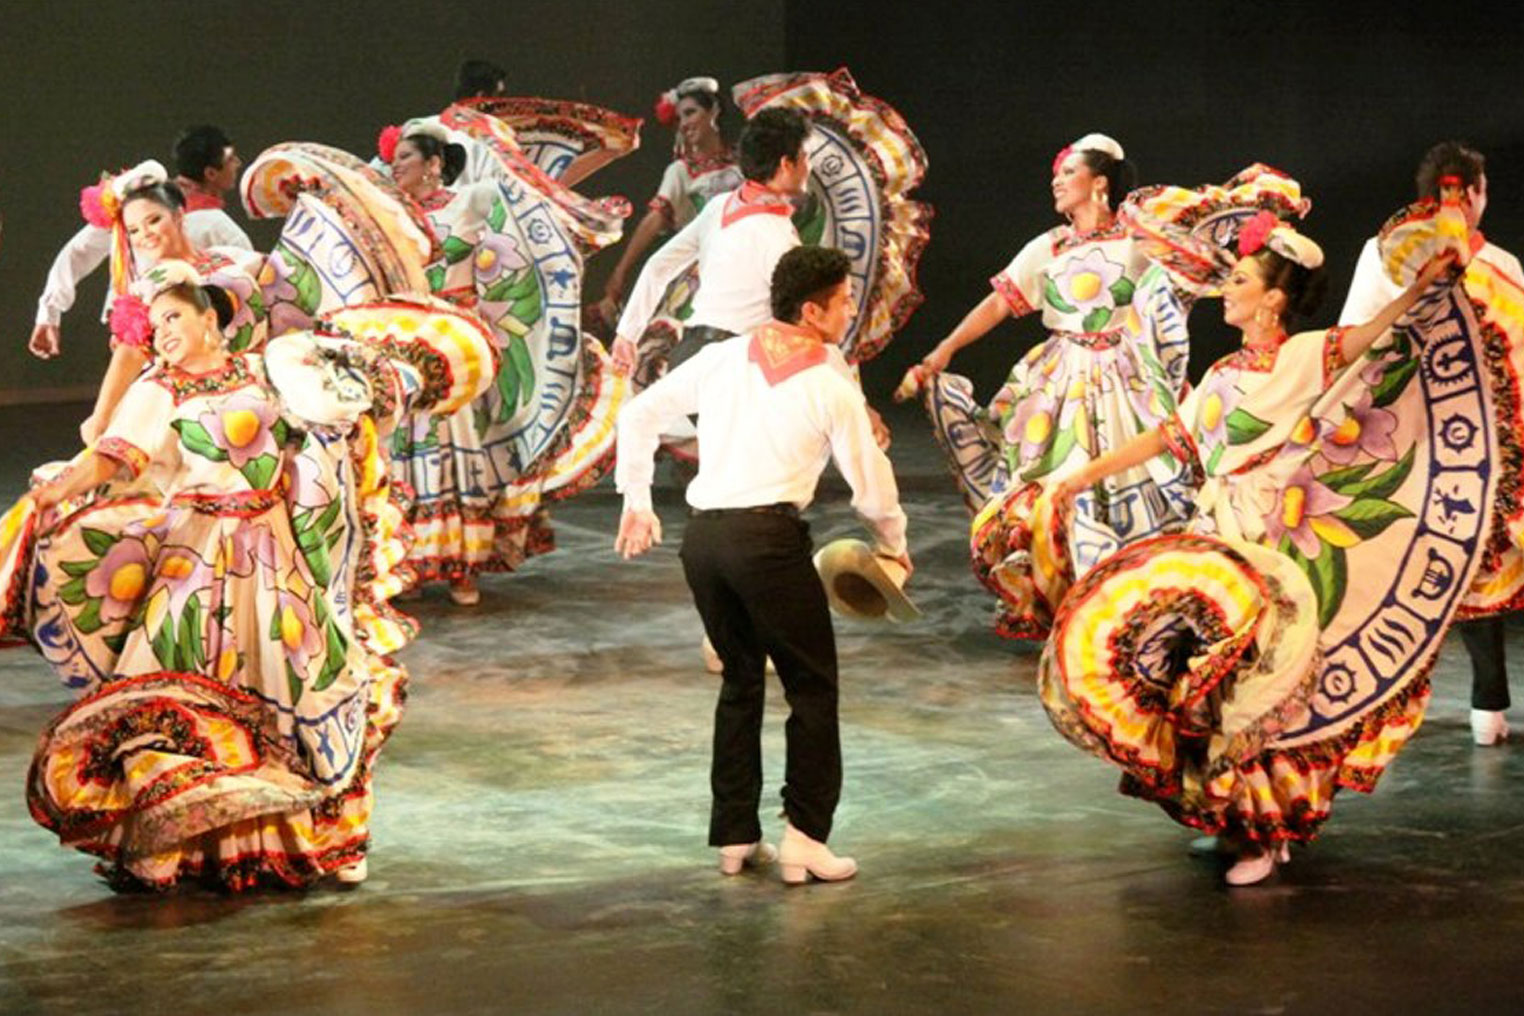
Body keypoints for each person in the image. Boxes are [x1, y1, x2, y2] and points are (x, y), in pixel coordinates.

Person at [1041, 195, 1482, 886]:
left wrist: (1422, 288)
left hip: (1274, 548)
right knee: (1207, 687)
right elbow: (1171, 438)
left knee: (1262, 694)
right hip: (1219, 541)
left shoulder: (1307, 356)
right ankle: (1233, 815)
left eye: (1240, 281)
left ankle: (1266, 836)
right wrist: (1080, 476)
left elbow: (1370, 337)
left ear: (1274, 300)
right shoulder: (1221, 374)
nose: (1227, 288)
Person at [9, 266, 494, 890]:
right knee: (171, 692)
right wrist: (62, 489)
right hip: (199, 556)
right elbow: (114, 455)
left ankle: (327, 840)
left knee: (310, 689)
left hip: (276, 550)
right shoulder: (158, 390)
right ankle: (180, 844)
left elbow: (327, 420)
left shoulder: (269, 370)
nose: (163, 334)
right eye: (155, 325)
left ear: (211, 319)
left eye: (174, 317)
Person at [614, 246, 909, 884]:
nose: (851, 309)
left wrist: (638, 502)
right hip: (767, 545)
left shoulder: (722, 358)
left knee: (741, 681)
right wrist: (893, 541)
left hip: (705, 544)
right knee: (811, 689)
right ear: (812, 310)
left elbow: (636, 414)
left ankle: (735, 838)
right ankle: (804, 838)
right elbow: (871, 487)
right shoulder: (831, 383)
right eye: (843, 300)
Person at [897, 134, 1199, 638]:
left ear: (1099, 181)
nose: (1056, 181)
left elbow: (1185, 285)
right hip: (1061, 384)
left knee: (1132, 484)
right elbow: (999, 303)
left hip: (1129, 382)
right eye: (1056, 175)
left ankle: (1131, 601)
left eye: (1067, 173)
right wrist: (946, 348)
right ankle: (1064, 598)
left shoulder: (1140, 242)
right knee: (1055, 484)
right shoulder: (1049, 246)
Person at [384, 116, 626, 605]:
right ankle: (410, 563)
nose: (395, 166)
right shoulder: (388, 215)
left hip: (461, 348)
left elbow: (529, 194)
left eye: (406, 157)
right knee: (410, 458)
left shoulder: (472, 199)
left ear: (435, 164)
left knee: (464, 454)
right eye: (393, 160)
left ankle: (463, 568)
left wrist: (584, 211)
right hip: (409, 348)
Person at [1339, 141, 1520, 747]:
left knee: (1417, 563)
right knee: (1477, 557)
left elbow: (1360, 339)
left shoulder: (1386, 255)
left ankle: (1399, 700)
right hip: (1477, 440)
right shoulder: (1498, 265)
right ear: (1470, 194)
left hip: (1415, 433)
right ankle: (1485, 701)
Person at [611, 107, 810, 377]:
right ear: (787, 164)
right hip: (736, 366)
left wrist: (627, 335)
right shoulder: (777, 234)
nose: (809, 167)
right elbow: (797, 319)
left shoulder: (720, 207)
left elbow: (658, 266)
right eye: (806, 157)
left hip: (689, 356)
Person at [29, 128, 253, 361]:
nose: (145, 234)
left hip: (202, 342)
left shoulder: (215, 227)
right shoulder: (210, 223)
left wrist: (49, 313)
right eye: (134, 230)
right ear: (210, 172)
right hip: (138, 332)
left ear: (178, 217)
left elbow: (78, 252)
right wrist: (49, 312)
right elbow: (78, 252)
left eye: (154, 221)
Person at [594, 76, 742, 330]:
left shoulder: (743, 163)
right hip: (700, 268)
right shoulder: (681, 172)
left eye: (690, 113)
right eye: (679, 118)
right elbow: (654, 220)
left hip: (744, 261)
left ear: (714, 111)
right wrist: (620, 272)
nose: (684, 124)